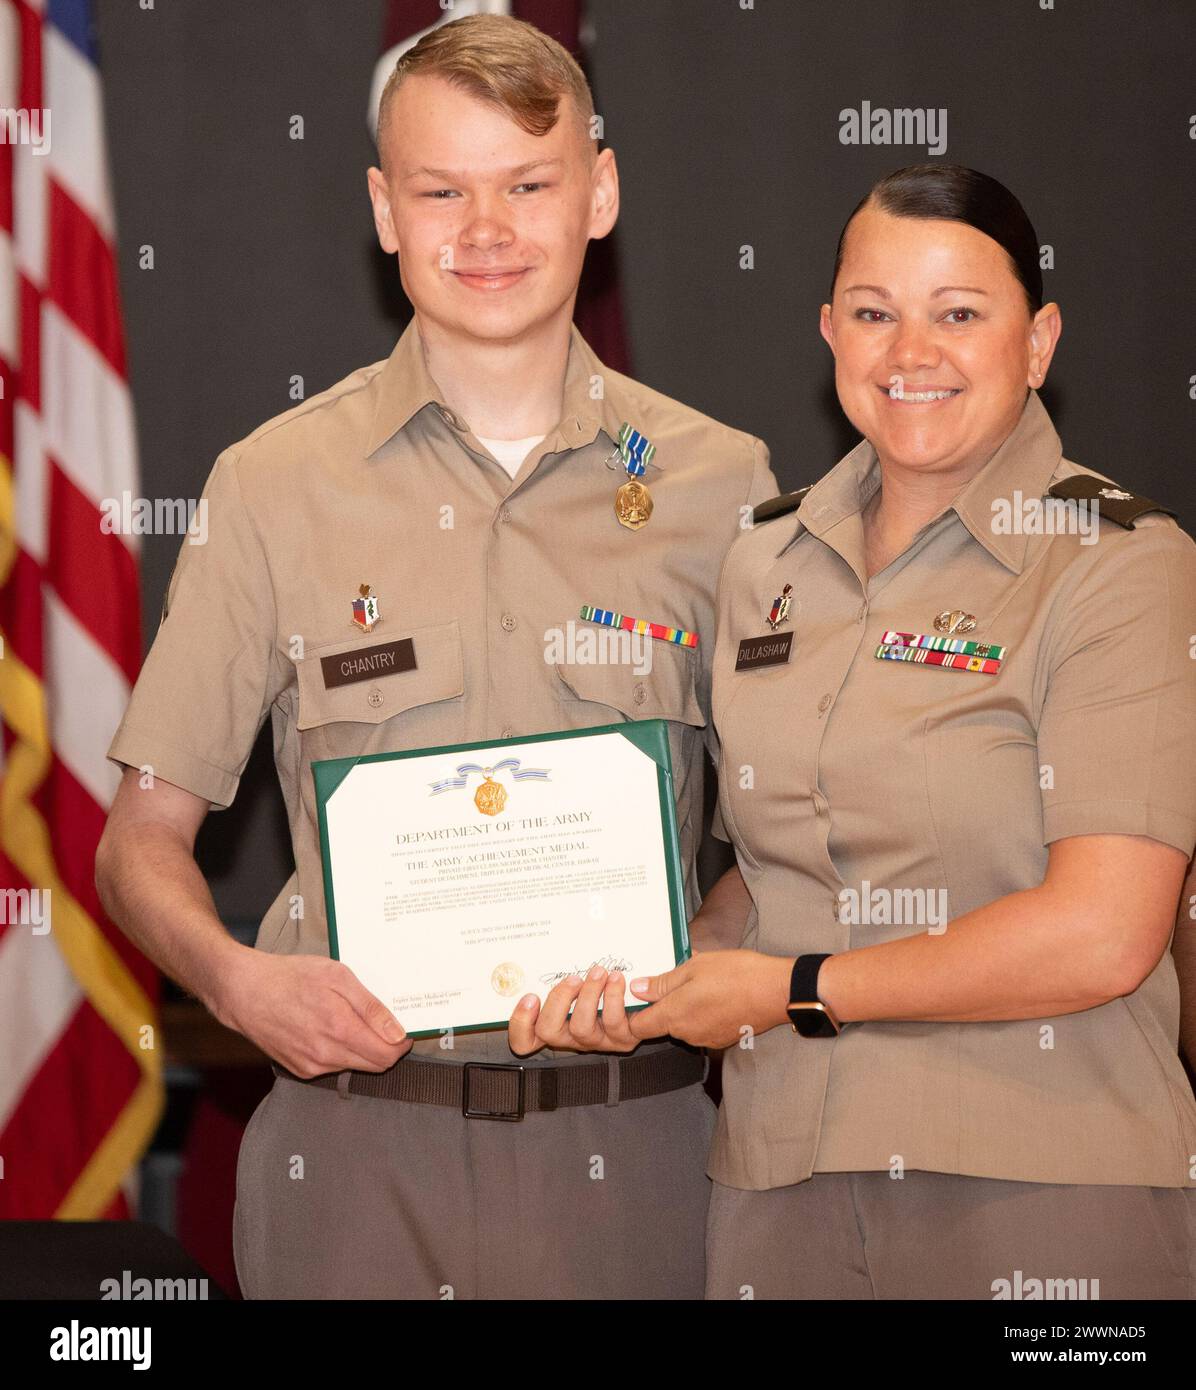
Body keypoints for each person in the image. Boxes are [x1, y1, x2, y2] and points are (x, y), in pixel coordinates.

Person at [95, 13, 775, 1300]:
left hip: (643, 1150)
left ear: (601, 192)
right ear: (382, 209)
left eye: (528, 184)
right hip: (354, 1162)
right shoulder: (271, 485)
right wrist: (241, 985)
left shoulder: (721, 485)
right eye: (440, 190)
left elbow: (784, 841)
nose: (485, 229)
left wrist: (693, 966)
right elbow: (138, 842)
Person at [619, 163, 1196, 1298]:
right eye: (874, 314)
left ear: (1036, 344)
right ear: (829, 332)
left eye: (959, 315)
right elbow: (764, 879)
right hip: (779, 1175)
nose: (908, 353)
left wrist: (789, 988)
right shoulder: (760, 563)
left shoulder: (1118, 567)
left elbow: (1100, 934)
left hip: (1043, 1186)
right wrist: (659, 963)